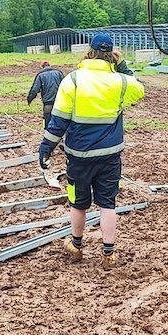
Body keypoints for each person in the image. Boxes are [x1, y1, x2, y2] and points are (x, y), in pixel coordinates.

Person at [39, 34, 145, 270]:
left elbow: (58, 121)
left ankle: (76, 246)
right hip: (110, 155)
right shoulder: (120, 81)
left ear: (89, 52)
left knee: (78, 202)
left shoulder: (73, 80)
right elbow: (139, 89)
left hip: (79, 156)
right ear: (111, 55)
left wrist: (46, 147)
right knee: (107, 203)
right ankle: (109, 253)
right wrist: (123, 67)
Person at [27, 61, 64, 128]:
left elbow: (35, 89)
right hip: (60, 103)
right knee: (60, 122)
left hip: (48, 103)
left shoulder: (40, 75)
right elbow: (65, 86)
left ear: (42, 67)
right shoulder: (58, 73)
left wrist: (29, 99)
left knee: (48, 124)